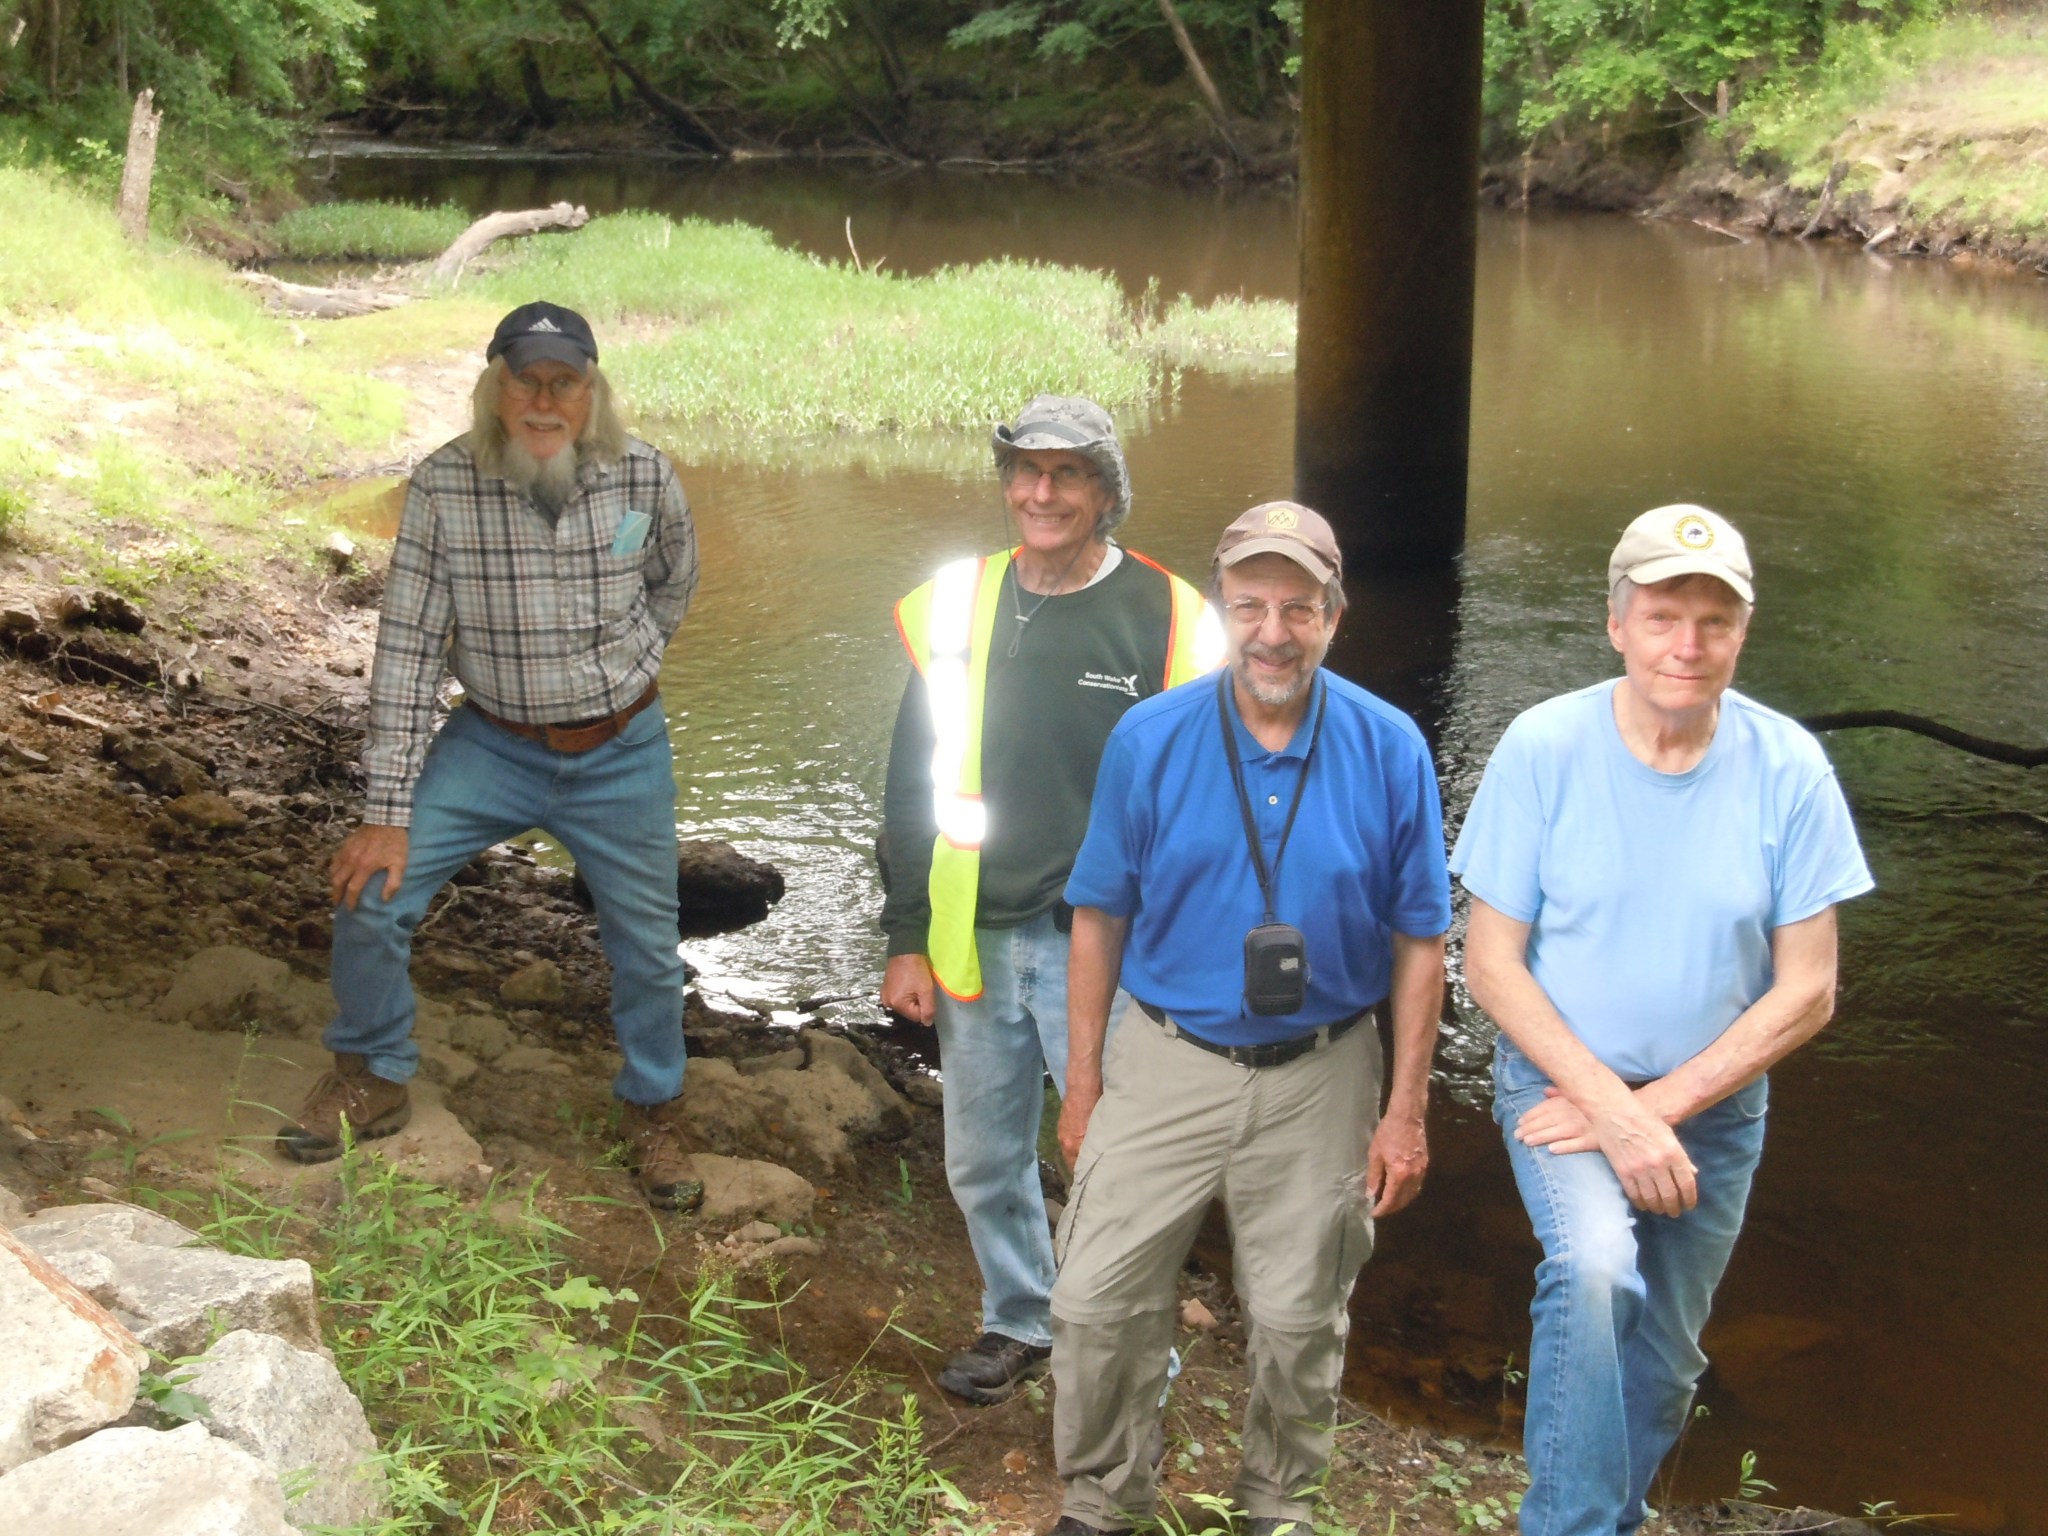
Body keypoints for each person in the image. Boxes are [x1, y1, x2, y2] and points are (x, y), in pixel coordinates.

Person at [1452, 505, 1874, 1536]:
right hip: (1559, 1089)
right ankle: (1567, 1526)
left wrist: (1660, 1110)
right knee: (1593, 1273)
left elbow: (1808, 988)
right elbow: (1489, 962)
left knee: (1668, 1350)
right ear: (1614, 623)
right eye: (1660, 616)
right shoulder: (1541, 747)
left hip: (1714, 1112)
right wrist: (1609, 1107)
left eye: (1712, 621)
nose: (1685, 645)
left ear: (1741, 631)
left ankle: (1615, 1509)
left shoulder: (1788, 771)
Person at [1047, 501, 1452, 1536]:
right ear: (1222, 610)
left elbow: (1419, 940)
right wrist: (1083, 1083)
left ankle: (1277, 1507)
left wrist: (1404, 1110)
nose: (1272, 631)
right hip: (1167, 1055)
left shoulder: (1389, 745)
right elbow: (1098, 915)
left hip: (1322, 1069)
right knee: (1096, 1298)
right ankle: (1104, 1497)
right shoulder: (1150, 737)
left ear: (1334, 615)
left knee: (1296, 1316)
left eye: (1298, 608)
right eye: (1250, 606)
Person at [278, 301, 703, 1210]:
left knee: (650, 948)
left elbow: (676, 580)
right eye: (526, 379)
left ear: (593, 392)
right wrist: (385, 812)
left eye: (565, 381)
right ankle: (374, 1068)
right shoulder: (442, 486)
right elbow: (407, 652)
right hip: (492, 742)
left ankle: (654, 1106)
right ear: (495, 387)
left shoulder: (645, 475)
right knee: (373, 888)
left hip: (624, 746)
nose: (544, 399)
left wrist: (631, 666)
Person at [879, 394, 1220, 1405]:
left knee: (1116, 1168)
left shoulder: (1173, 618)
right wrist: (905, 934)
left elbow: (1209, 800)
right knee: (982, 1156)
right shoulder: (952, 601)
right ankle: (1020, 1317)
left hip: (1109, 952)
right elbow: (908, 776)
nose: (1040, 491)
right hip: (972, 932)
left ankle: (1127, 1355)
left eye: (1067, 473)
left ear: (1108, 492)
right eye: (1024, 470)